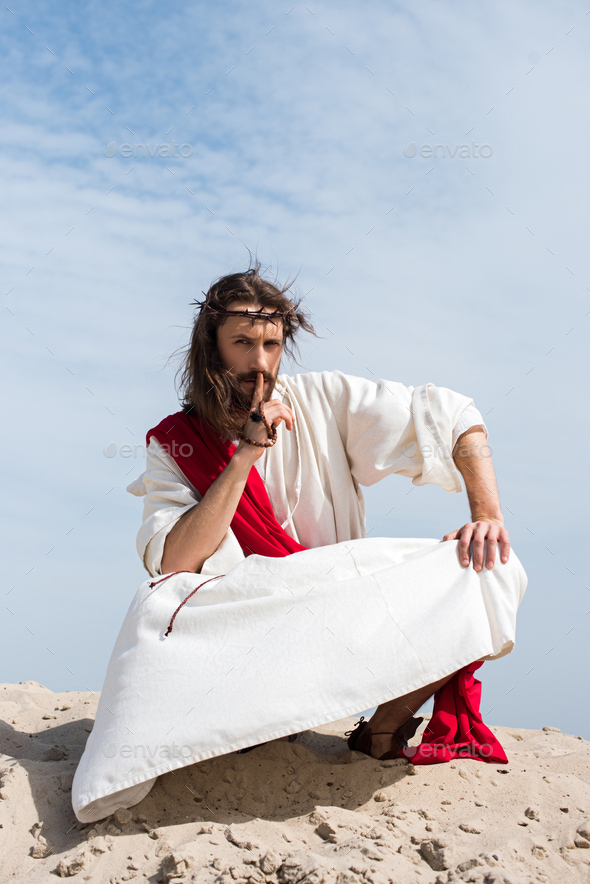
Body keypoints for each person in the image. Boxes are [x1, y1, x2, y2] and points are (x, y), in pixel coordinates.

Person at [71, 261, 527, 823]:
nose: (260, 362)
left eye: (271, 344)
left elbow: (455, 416)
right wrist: (245, 453)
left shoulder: (324, 399)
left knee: (486, 567)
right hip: (241, 632)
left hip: (333, 611)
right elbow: (174, 561)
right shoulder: (176, 444)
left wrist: (486, 514)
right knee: (153, 606)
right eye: (242, 343)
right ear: (210, 348)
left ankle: (381, 731)